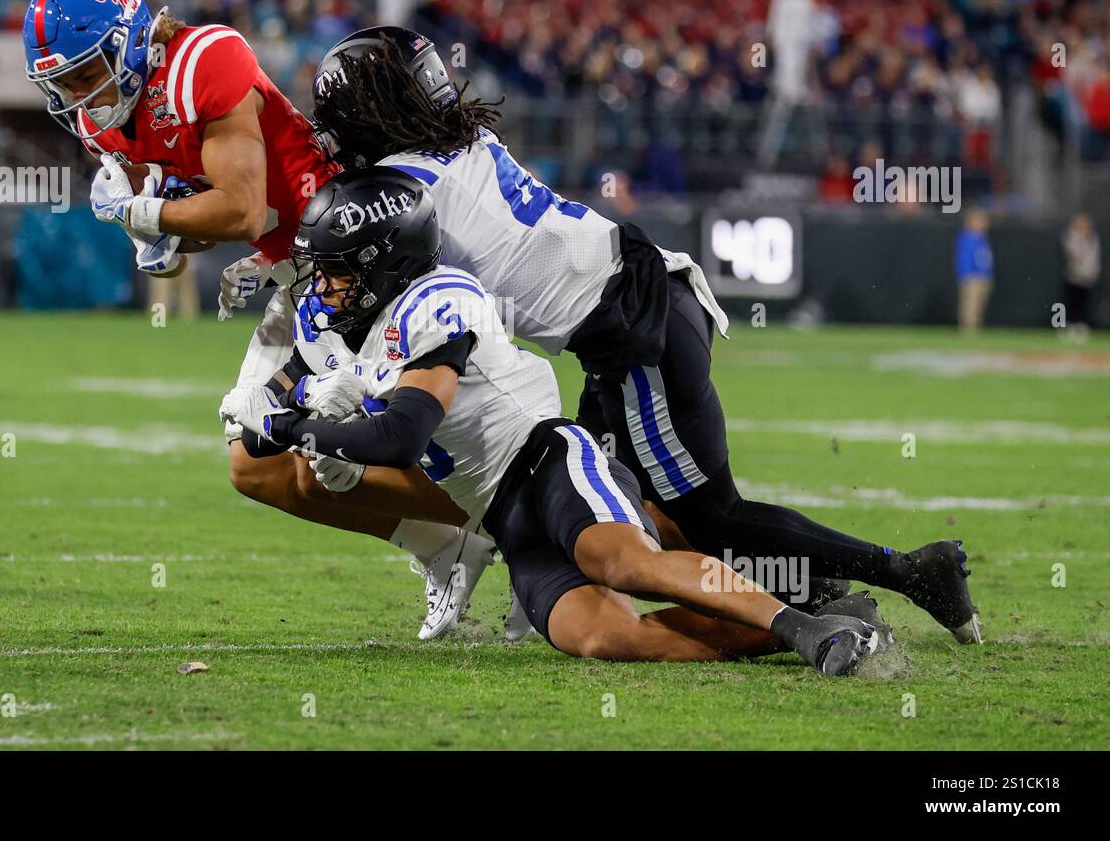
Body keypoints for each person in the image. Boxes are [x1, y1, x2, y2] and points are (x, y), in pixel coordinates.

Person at [303, 26, 982, 644]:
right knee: (643, 515)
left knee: (711, 519)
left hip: (634, 332)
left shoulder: (411, 189)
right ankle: (811, 590)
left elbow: (338, 212)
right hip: (627, 315)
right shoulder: (460, 137)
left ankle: (908, 574)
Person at [219, 168, 885, 673]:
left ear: (382, 261)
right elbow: (268, 410)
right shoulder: (324, 320)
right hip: (500, 516)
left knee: (620, 560)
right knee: (603, 637)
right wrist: (277, 408)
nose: (320, 287)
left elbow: (402, 435)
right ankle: (809, 619)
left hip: (546, 461)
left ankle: (806, 627)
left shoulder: (441, 298)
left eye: (335, 271)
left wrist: (302, 431)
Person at [23, 0, 477, 636]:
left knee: (424, 445)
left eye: (85, 72)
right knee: (254, 464)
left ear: (129, 42)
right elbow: (202, 213)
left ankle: (508, 522)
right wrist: (163, 233)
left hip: (354, 268)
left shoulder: (204, 59)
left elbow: (242, 206)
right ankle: (445, 544)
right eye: (60, 81)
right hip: (295, 275)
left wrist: (145, 213)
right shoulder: (107, 121)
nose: (75, 95)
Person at [1062, 213, 1100, 340]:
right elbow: (1073, 254)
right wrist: (1078, 239)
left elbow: (1094, 258)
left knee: (1084, 303)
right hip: (1074, 277)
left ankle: (1081, 326)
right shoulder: (1071, 238)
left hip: (1087, 277)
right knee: (1071, 303)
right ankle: (1067, 326)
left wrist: (1093, 272)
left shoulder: (1093, 239)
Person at [956, 209, 993, 333]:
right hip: (972, 277)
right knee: (970, 304)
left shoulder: (982, 239)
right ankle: (968, 327)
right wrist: (967, 274)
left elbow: (985, 259)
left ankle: (976, 326)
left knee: (979, 304)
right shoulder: (967, 239)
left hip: (983, 276)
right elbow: (964, 259)